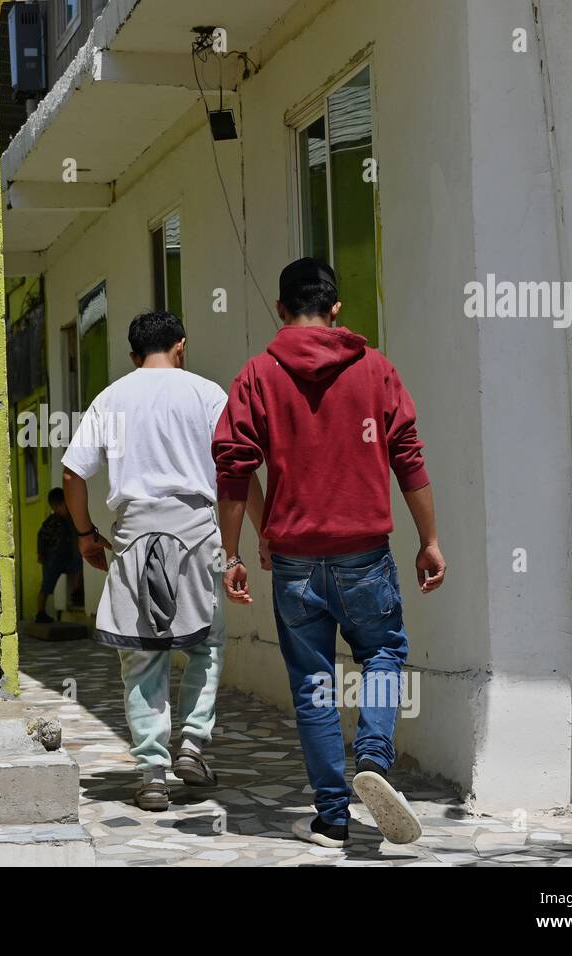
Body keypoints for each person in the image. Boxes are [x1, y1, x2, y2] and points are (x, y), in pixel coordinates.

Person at [212, 257, 446, 848]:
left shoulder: (257, 376)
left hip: (292, 562)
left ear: (281, 310)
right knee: (385, 652)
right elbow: (408, 456)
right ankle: (372, 754)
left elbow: (234, 470)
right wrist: (430, 541)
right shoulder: (376, 370)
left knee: (314, 682)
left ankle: (332, 816)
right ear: (336, 309)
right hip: (365, 554)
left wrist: (232, 553)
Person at [62, 310, 264, 812]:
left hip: (133, 537)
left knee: (142, 656)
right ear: (181, 346)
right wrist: (264, 535)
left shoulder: (110, 399)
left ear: (134, 355)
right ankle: (193, 743)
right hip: (197, 534)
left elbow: (73, 474)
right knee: (207, 644)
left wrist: (86, 534)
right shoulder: (207, 393)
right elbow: (236, 473)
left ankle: (152, 773)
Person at [34, 488, 83, 624]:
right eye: (64, 505)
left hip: (68, 556)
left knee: (78, 567)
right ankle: (41, 612)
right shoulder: (50, 522)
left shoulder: (70, 519)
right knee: (47, 585)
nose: (67, 508)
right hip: (52, 559)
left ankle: (76, 592)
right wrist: (41, 553)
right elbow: (41, 537)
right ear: (55, 507)